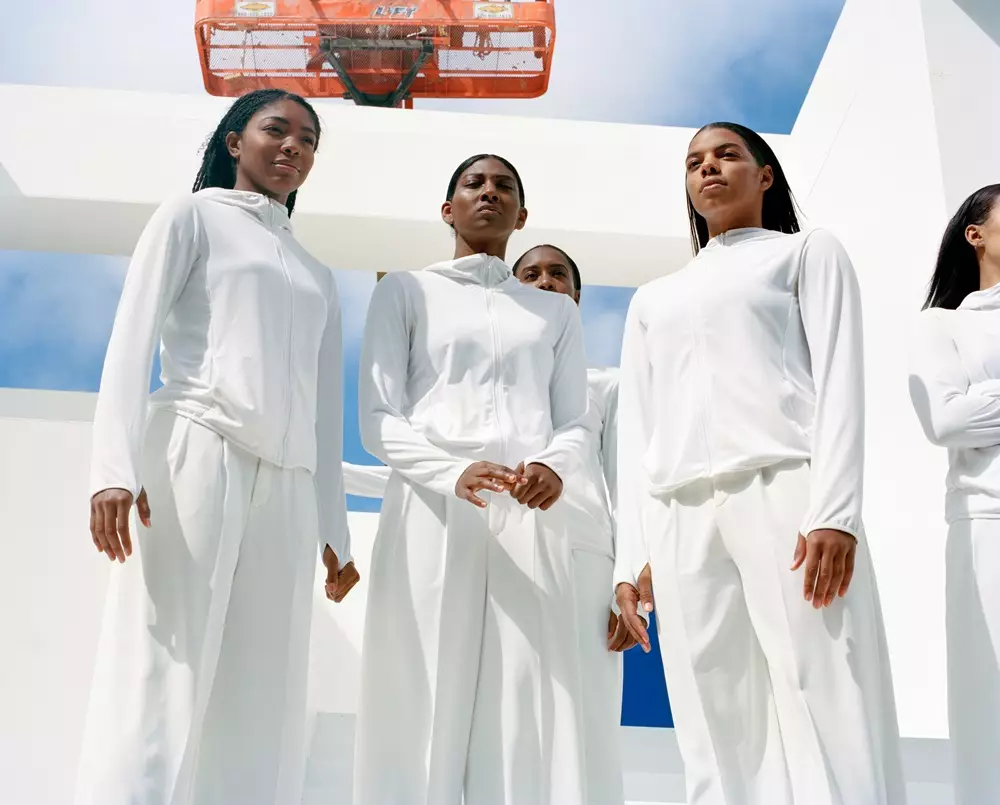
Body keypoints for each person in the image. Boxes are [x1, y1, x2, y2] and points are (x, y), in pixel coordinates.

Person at [76, 89, 357, 805]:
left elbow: (324, 406)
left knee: (266, 684)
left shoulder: (318, 274)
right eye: (277, 129)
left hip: (289, 484)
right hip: (197, 448)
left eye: (308, 138)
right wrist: (114, 468)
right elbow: (130, 340)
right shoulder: (189, 216)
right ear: (235, 141)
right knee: (164, 661)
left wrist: (335, 530)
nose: (294, 145)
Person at [612, 122, 905, 805]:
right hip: (682, 509)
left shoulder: (807, 253)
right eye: (694, 162)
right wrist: (634, 557)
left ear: (764, 174)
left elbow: (840, 380)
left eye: (726, 155)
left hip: (786, 489)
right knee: (712, 704)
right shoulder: (653, 297)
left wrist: (835, 511)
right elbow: (640, 430)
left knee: (822, 681)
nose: (708, 168)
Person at [353, 155, 604, 805]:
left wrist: (552, 465)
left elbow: (576, 420)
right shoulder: (405, 290)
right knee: (421, 693)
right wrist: (452, 470)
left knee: (527, 702)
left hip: (528, 513)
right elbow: (377, 418)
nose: (489, 192)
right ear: (448, 209)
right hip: (432, 507)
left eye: (505, 187)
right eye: (474, 184)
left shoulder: (555, 315)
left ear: (522, 216)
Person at [512, 243, 627, 805]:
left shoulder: (606, 383)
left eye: (559, 275)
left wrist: (629, 584)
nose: (545, 282)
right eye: (529, 274)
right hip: (500, 552)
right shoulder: (491, 384)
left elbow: (625, 482)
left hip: (584, 558)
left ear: (577, 299)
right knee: (508, 711)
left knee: (586, 716)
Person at [908, 183, 1000, 805]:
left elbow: (970, 412)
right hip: (987, 521)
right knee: (988, 699)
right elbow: (945, 422)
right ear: (977, 234)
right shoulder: (942, 326)